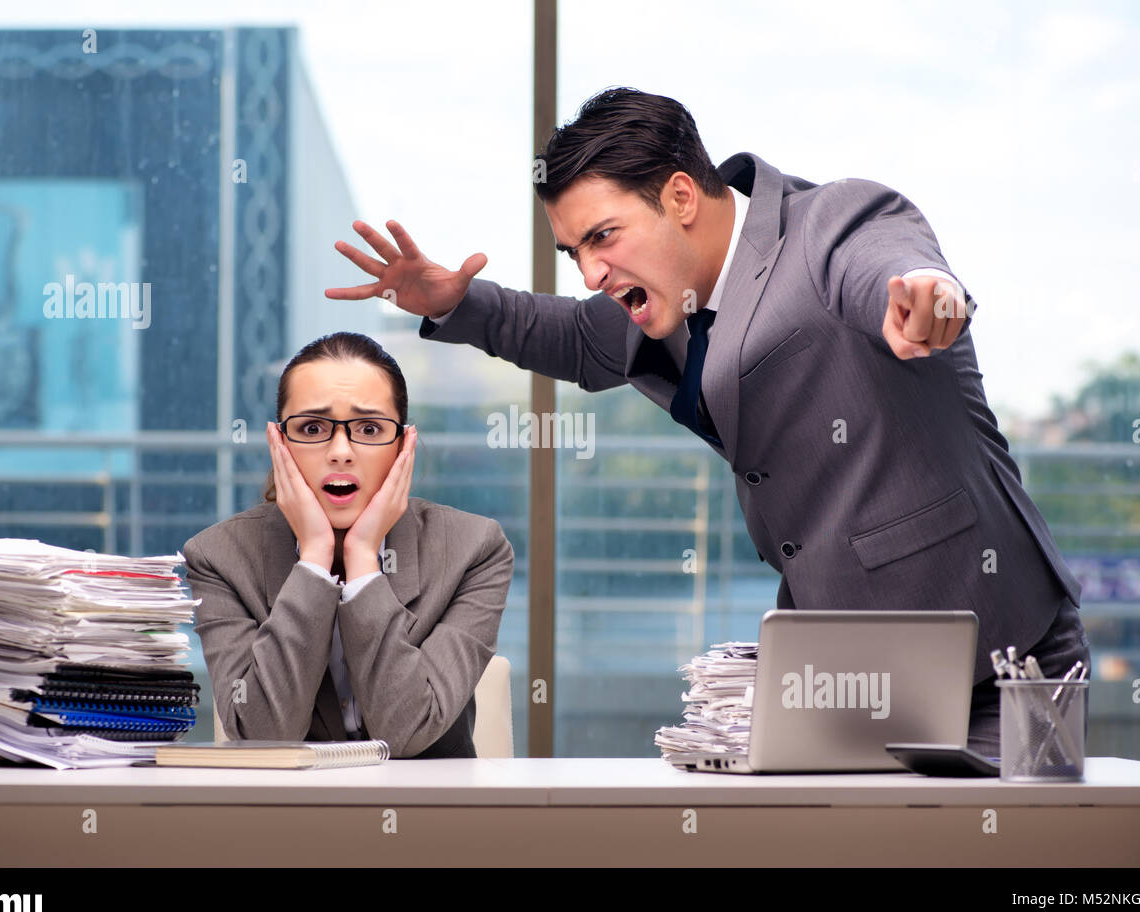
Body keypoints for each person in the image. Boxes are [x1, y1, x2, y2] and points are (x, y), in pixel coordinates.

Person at [323, 87, 1090, 756]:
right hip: (848, 671)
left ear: (682, 198)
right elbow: (567, 333)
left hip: (996, 653)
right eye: (573, 251)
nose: (590, 273)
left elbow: (892, 270)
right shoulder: (668, 301)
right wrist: (450, 302)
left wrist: (929, 300)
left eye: (602, 236)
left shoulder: (835, 224)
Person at [183, 332, 514, 758]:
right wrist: (315, 558)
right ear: (279, 442)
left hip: (430, 815)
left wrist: (362, 560)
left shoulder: (474, 551)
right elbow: (262, 737)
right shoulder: (219, 558)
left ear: (402, 445)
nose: (340, 452)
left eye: (370, 428)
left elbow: (407, 732)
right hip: (289, 817)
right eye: (313, 428)